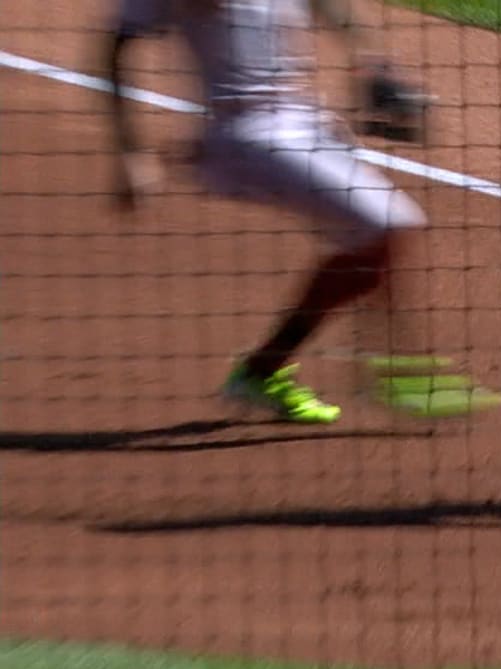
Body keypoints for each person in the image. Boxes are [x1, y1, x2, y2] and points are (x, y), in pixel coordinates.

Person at [106, 0, 454, 423]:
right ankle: (389, 374)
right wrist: (130, 152)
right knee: (387, 222)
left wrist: (371, 65)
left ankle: (273, 371)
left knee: (372, 244)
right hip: (245, 137)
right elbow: (116, 46)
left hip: (308, 126)